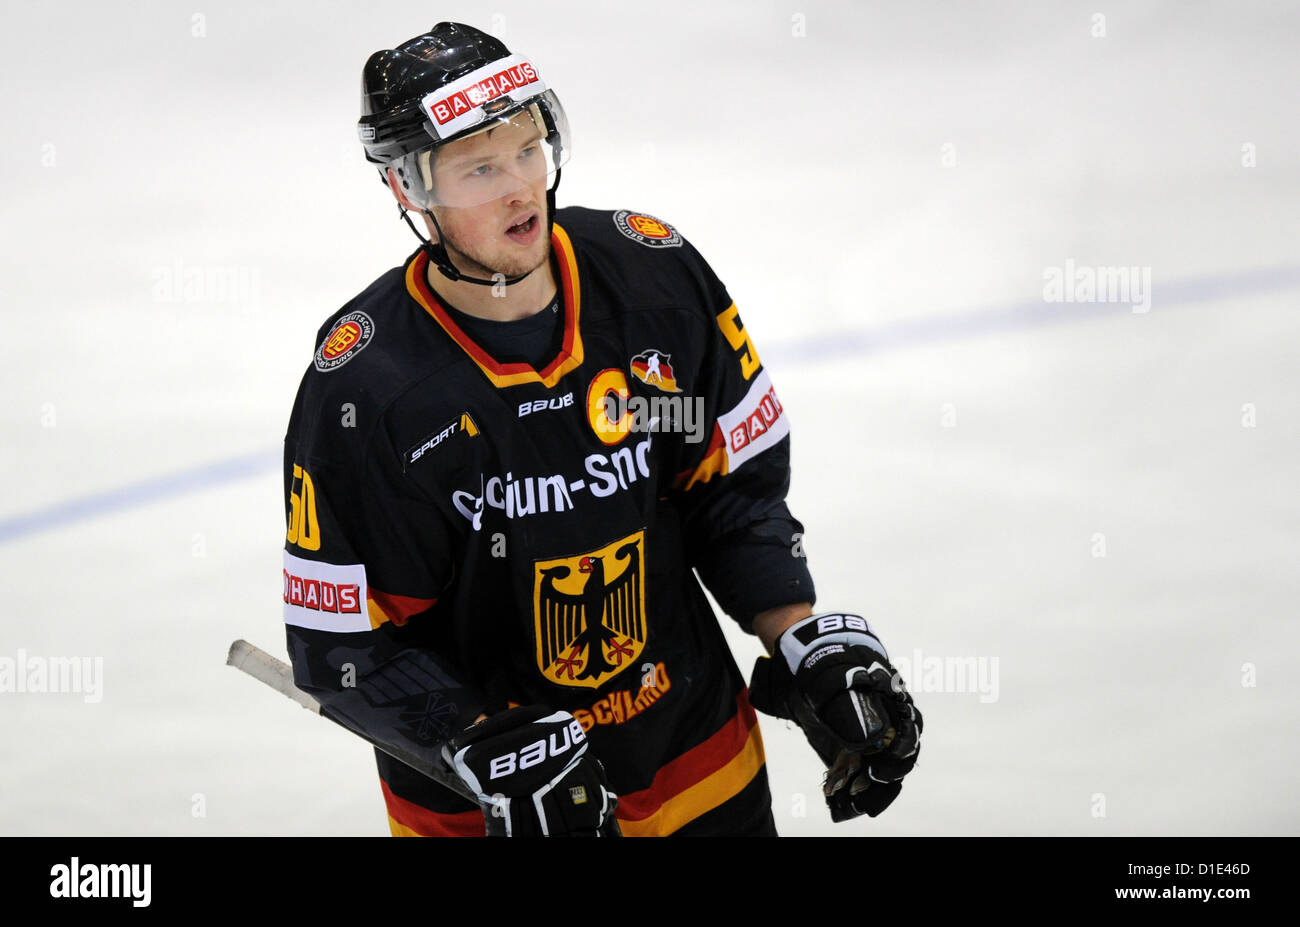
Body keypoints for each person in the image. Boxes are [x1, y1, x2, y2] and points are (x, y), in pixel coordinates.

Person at [281, 21, 922, 837]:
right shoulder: (372, 391)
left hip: (697, 761)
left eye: (526, 147)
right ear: (410, 191)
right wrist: (468, 741)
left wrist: (798, 639)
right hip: (496, 822)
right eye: (480, 168)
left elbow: (727, 491)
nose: (520, 187)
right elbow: (342, 645)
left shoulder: (652, 278)